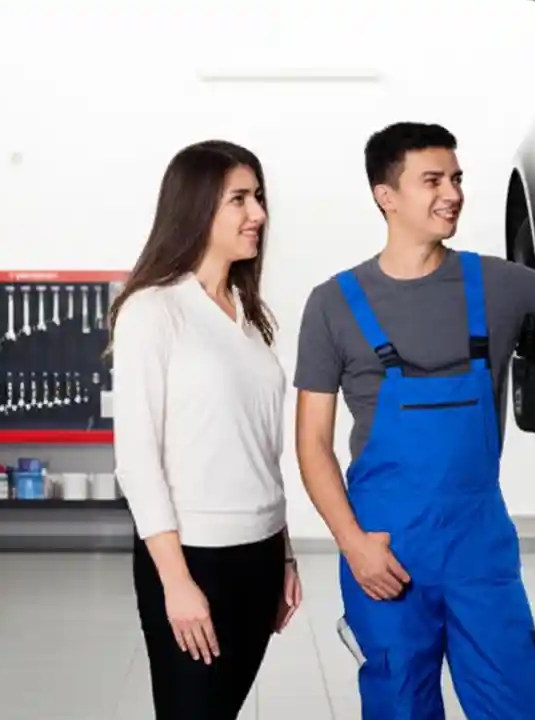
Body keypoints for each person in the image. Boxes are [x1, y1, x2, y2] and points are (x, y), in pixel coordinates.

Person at [293, 122, 535, 719]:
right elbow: (312, 445)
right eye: (432, 180)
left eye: (456, 179)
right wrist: (354, 547)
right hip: (386, 547)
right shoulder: (333, 303)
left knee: (518, 703)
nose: (451, 193)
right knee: (399, 704)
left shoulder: (498, 284)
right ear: (387, 195)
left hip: (478, 543)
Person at [109, 139, 303, 720]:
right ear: (195, 208)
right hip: (195, 558)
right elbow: (137, 460)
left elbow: (259, 448)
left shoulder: (250, 319)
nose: (258, 215)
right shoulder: (153, 310)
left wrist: (286, 554)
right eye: (239, 200)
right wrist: (176, 582)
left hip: (261, 553)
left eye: (259, 198)